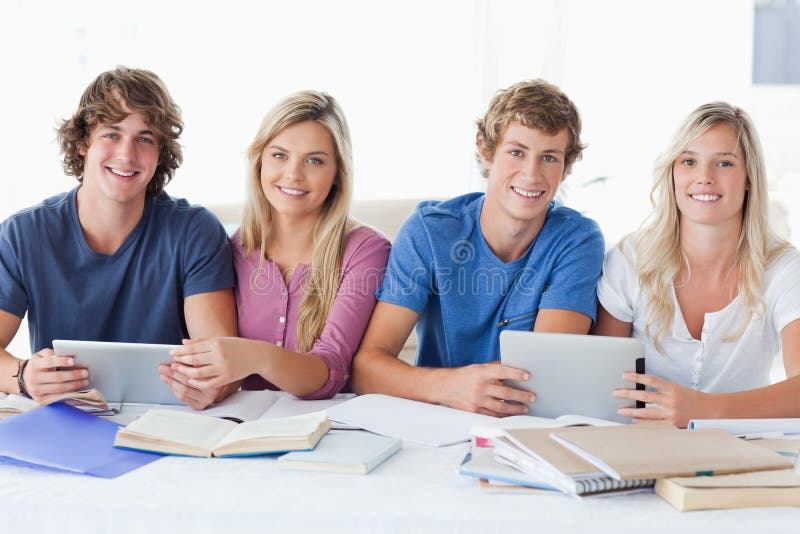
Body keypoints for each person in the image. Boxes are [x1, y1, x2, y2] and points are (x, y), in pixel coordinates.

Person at [351, 79, 605, 416]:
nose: (531, 174)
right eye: (517, 152)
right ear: (486, 152)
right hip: (435, 417)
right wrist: (449, 387)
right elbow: (366, 370)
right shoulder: (429, 231)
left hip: (523, 422)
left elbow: (546, 376)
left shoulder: (577, 240)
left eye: (549, 157)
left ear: (568, 166)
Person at [0, 66, 237, 410]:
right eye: (112, 134)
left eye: (145, 139)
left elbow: (221, 361)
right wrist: (22, 377)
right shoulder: (23, 235)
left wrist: (215, 386)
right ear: (83, 144)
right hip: (67, 417)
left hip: (169, 419)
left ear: (160, 152)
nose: (127, 155)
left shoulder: (195, 232)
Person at [168, 91, 390, 399]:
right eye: (279, 155)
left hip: (333, 423)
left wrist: (255, 355)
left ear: (337, 173)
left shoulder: (365, 251)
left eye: (314, 160)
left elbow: (332, 372)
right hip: (246, 421)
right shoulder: (230, 248)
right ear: (259, 161)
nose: (293, 175)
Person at [593, 102, 800, 428]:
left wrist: (705, 410)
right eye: (689, 161)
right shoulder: (630, 260)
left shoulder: (783, 268)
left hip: (744, 451)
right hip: (641, 445)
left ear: (749, 177)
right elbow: (598, 384)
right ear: (673, 173)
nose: (704, 178)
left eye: (724, 163)